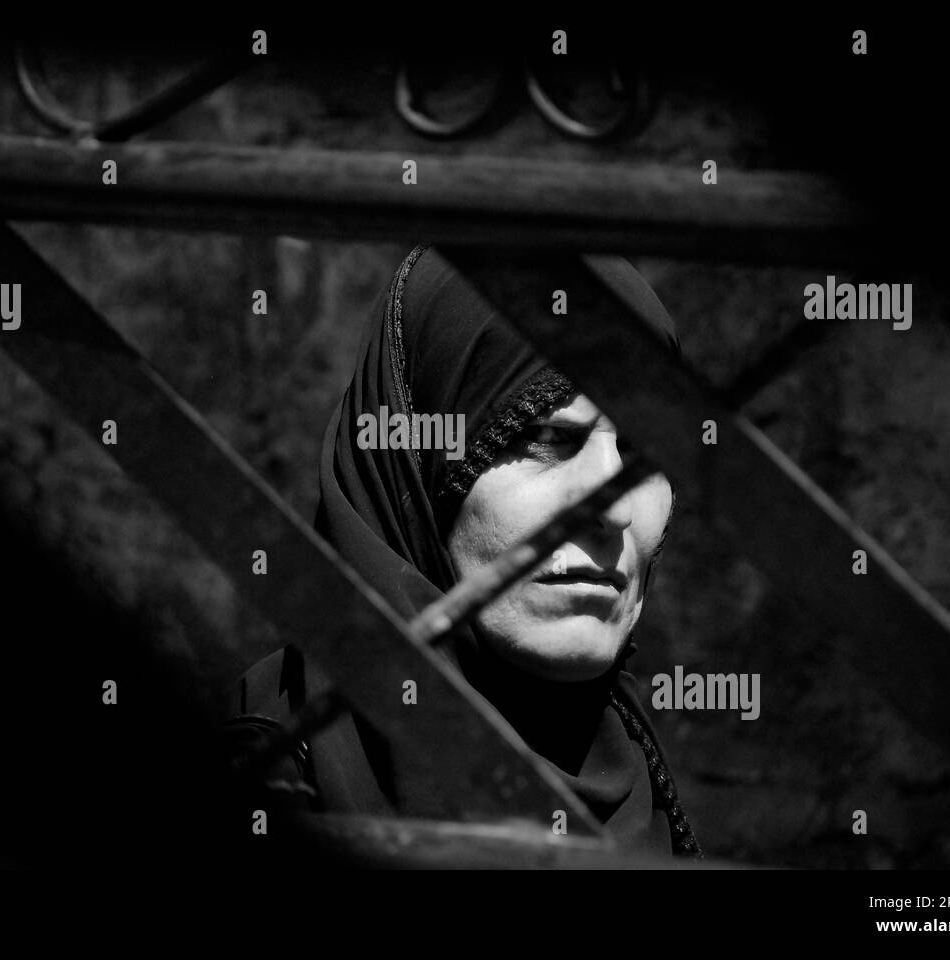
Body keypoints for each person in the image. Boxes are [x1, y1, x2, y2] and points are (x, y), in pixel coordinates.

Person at [225, 244, 700, 858]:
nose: (615, 508)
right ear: (416, 478)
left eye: (646, 452)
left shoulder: (638, 770)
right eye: (549, 439)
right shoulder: (278, 780)